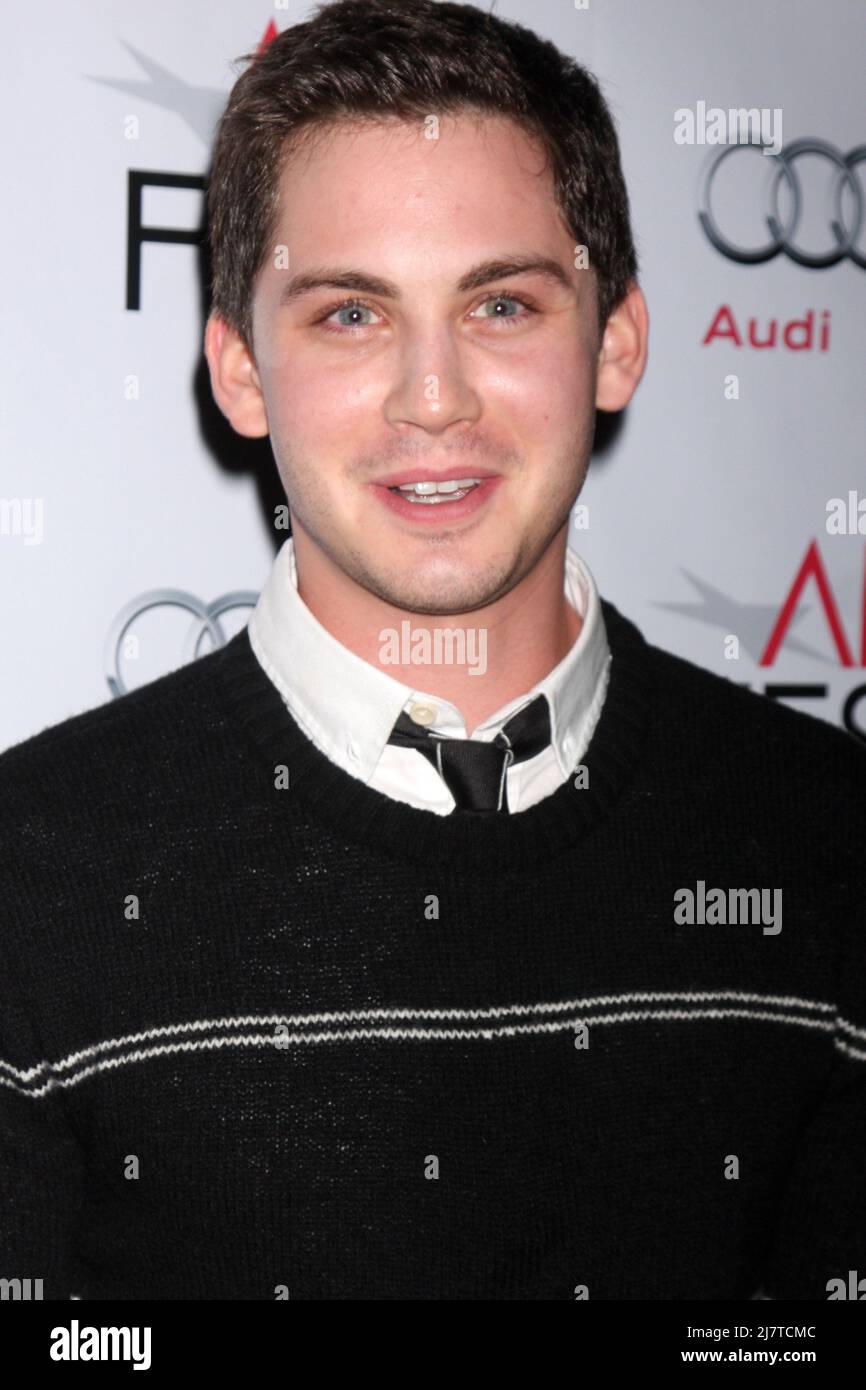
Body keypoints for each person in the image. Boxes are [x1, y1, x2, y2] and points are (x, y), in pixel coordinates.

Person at [1, 0, 863, 1302]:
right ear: (240, 372)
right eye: (349, 314)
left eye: (500, 303)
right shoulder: (32, 872)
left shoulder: (829, 840)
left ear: (613, 341)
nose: (432, 396)